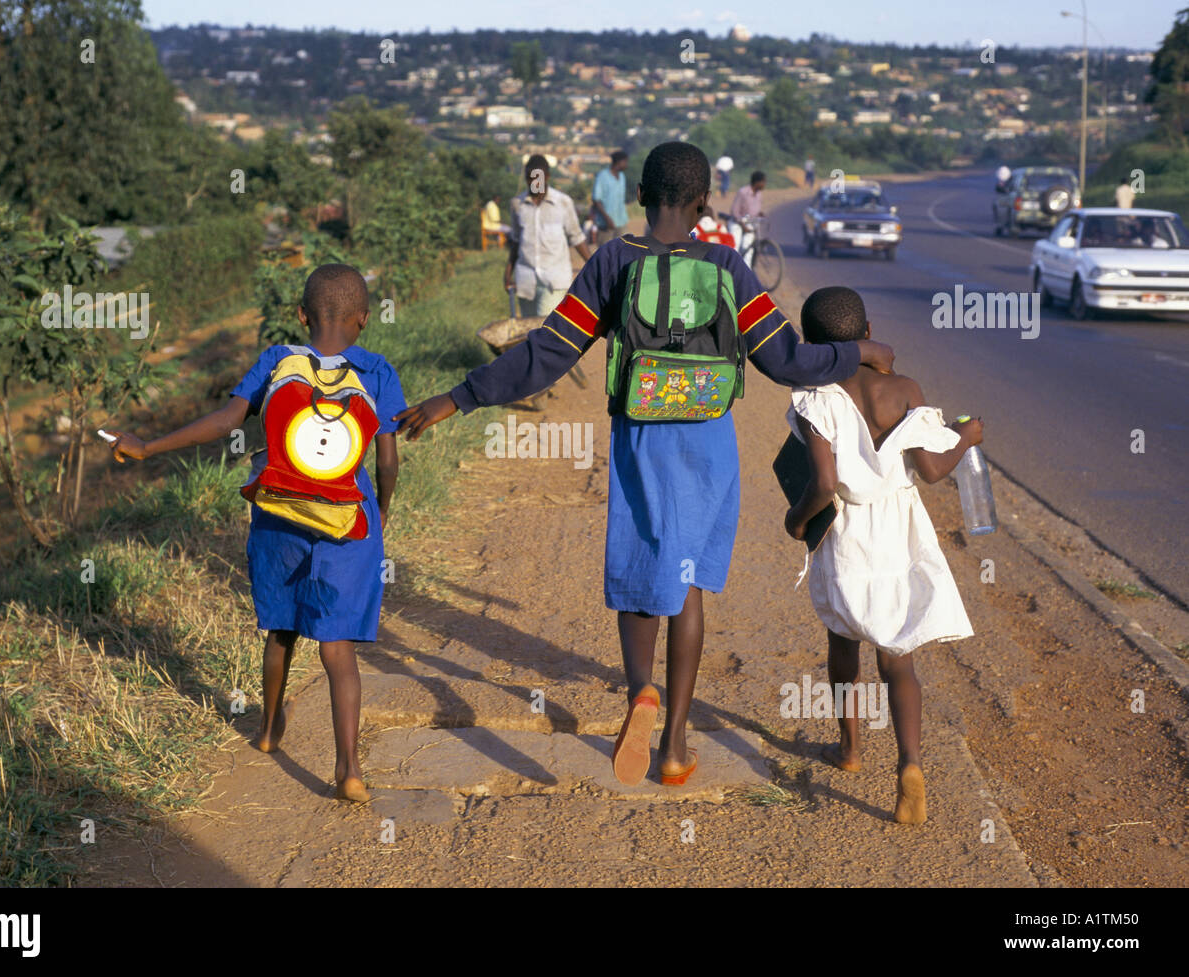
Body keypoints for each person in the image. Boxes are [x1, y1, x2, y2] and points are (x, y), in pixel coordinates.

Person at [396, 142, 895, 788]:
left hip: (641, 437)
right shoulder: (725, 266)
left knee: (640, 574)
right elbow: (787, 361)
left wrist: (457, 397)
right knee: (685, 582)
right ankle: (677, 744)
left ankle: (641, 695)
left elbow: (547, 352)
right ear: (701, 204)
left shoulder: (613, 262)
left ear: (639, 197)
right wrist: (857, 352)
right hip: (709, 445)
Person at [105, 264, 406, 804]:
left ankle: (268, 731)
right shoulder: (379, 371)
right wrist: (379, 512)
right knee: (337, 649)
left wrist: (146, 446)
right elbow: (387, 460)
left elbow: (226, 423)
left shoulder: (276, 360)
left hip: (279, 515)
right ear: (364, 319)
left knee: (281, 630)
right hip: (347, 520)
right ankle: (349, 769)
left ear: (300, 316)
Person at [782, 286, 980, 825]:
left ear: (812, 343)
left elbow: (823, 484)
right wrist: (966, 436)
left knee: (843, 642)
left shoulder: (813, 398)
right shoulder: (904, 389)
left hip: (847, 534)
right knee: (898, 658)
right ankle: (910, 764)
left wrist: (797, 521)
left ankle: (848, 749)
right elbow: (936, 470)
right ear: (869, 330)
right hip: (898, 531)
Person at [508, 154, 594, 317]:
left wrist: (594, 267)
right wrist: (508, 273)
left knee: (544, 330)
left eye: (538, 177)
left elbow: (576, 237)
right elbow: (515, 241)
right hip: (526, 280)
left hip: (554, 280)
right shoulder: (517, 205)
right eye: (529, 178)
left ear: (547, 176)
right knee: (528, 331)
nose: (534, 183)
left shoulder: (562, 203)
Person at [590, 149, 631, 246]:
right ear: (619, 162)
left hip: (621, 221)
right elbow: (596, 200)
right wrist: (607, 218)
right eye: (625, 162)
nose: (627, 165)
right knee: (605, 253)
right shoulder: (602, 176)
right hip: (606, 224)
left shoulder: (622, 176)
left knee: (624, 250)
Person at [729, 170, 766, 256]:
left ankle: (746, 269)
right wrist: (742, 225)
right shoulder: (743, 192)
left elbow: (754, 209)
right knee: (735, 247)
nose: (764, 184)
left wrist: (759, 213)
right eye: (763, 182)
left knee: (748, 248)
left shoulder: (759, 194)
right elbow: (734, 211)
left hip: (750, 222)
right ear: (757, 182)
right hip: (737, 222)